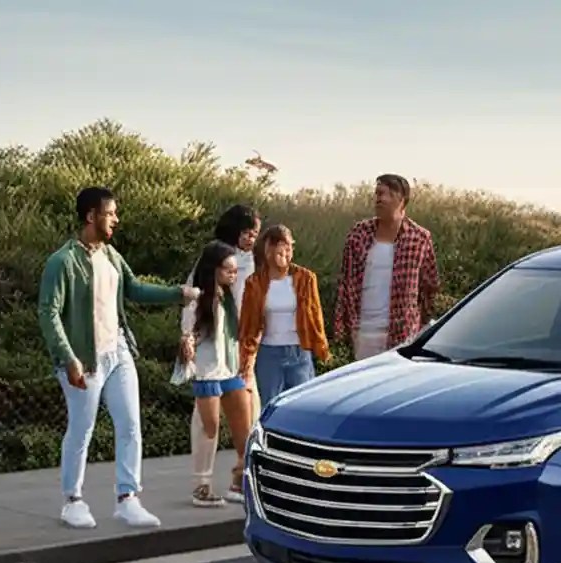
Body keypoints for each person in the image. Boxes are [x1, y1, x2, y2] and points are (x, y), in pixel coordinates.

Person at [38, 186, 199, 529]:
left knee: (130, 425)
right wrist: (68, 357)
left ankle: (128, 499)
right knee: (82, 429)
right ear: (90, 216)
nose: (116, 219)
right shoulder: (62, 262)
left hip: (118, 353)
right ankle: (72, 500)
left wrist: (178, 295)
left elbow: (135, 288)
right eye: (110, 213)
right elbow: (48, 313)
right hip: (84, 358)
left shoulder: (111, 255)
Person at [182, 204, 261, 503]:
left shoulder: (254, 261)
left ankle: (241, 478)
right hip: (211, 353)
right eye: (247, 232)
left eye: (255, 232)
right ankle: (202, 482)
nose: (252, 238)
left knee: (248, 413)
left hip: (240, 348)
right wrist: (188, 338)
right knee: (207, 420)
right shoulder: (213, 258)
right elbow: (191, 304)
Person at [332, 174, 441, 361]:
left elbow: (429, 286)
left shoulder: (420, 238)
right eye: (377, 194)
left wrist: (420, 325)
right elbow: (346, 283)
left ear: (401, 199)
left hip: (403, 333)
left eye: (385, 194)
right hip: (365, 332)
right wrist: (344, 326)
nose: (378, 199)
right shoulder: (359, 234)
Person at [238, 224, 331, 409]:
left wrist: (321, 346)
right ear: (268, 250)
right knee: (271, 408)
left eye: (289, 248)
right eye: (281, 248)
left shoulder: (306, 278)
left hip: (299, 352)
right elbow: (248, 324)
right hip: (268, 354)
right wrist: (245, 359)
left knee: (304, 407)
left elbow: (315, 315)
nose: (286, 253)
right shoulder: (254, 283)